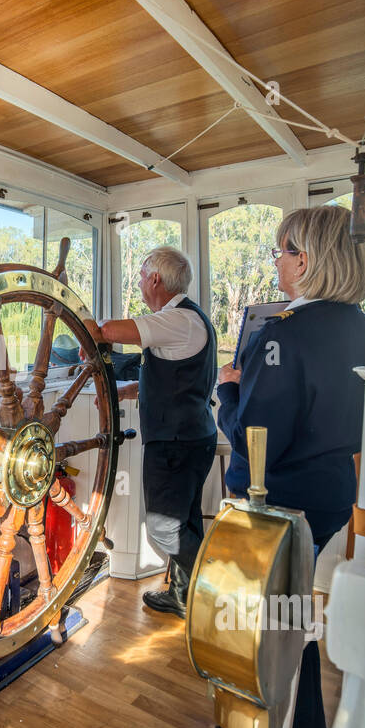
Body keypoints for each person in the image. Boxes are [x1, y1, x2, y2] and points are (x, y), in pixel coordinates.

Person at [216, 204, 365, 728]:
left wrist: (229, 392)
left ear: (305, 260)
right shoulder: (363, 329)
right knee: (297, 621)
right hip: (336, 499)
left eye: (280, 251)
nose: (276, 261)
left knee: (270, 626)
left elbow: (255, 438)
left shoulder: (284, 332)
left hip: (280, 508)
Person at [93, 246, 217, 616]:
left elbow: (109, 331)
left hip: (175, 443)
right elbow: (167, 377)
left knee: (163, 529)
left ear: (155, 279)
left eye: (142, 275)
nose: (141, 284)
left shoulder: (176, 318)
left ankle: (219, 592)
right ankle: (183, 595)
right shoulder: (188, 321)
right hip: (192, 438)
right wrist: (124, 391)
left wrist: (90, 326)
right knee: (185, 520)